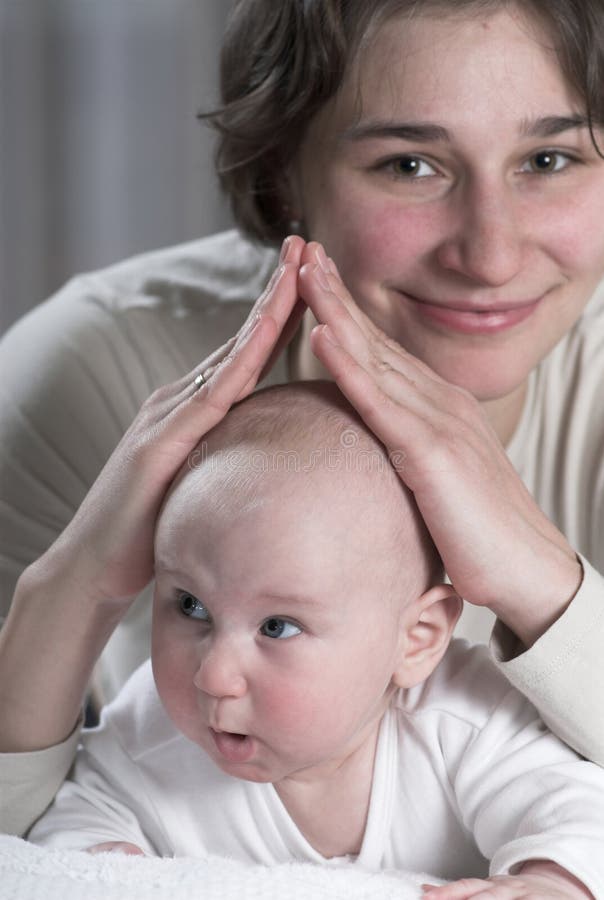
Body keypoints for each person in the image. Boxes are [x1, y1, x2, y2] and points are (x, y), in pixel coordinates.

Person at [1, 0, 604, 837]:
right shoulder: (88, 375)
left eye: (548, 158)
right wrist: (71, 583)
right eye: (409, 165)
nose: (491, 256)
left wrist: (540, 580)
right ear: (283, 173)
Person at [27, 382, 604, 900]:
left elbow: (576, 811)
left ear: (417, 639)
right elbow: (76, 818)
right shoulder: (151, 733)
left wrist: (550, 880)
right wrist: (109, 860)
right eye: (191, 606)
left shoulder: (466, 719)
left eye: (277, 626)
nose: (213, 676)